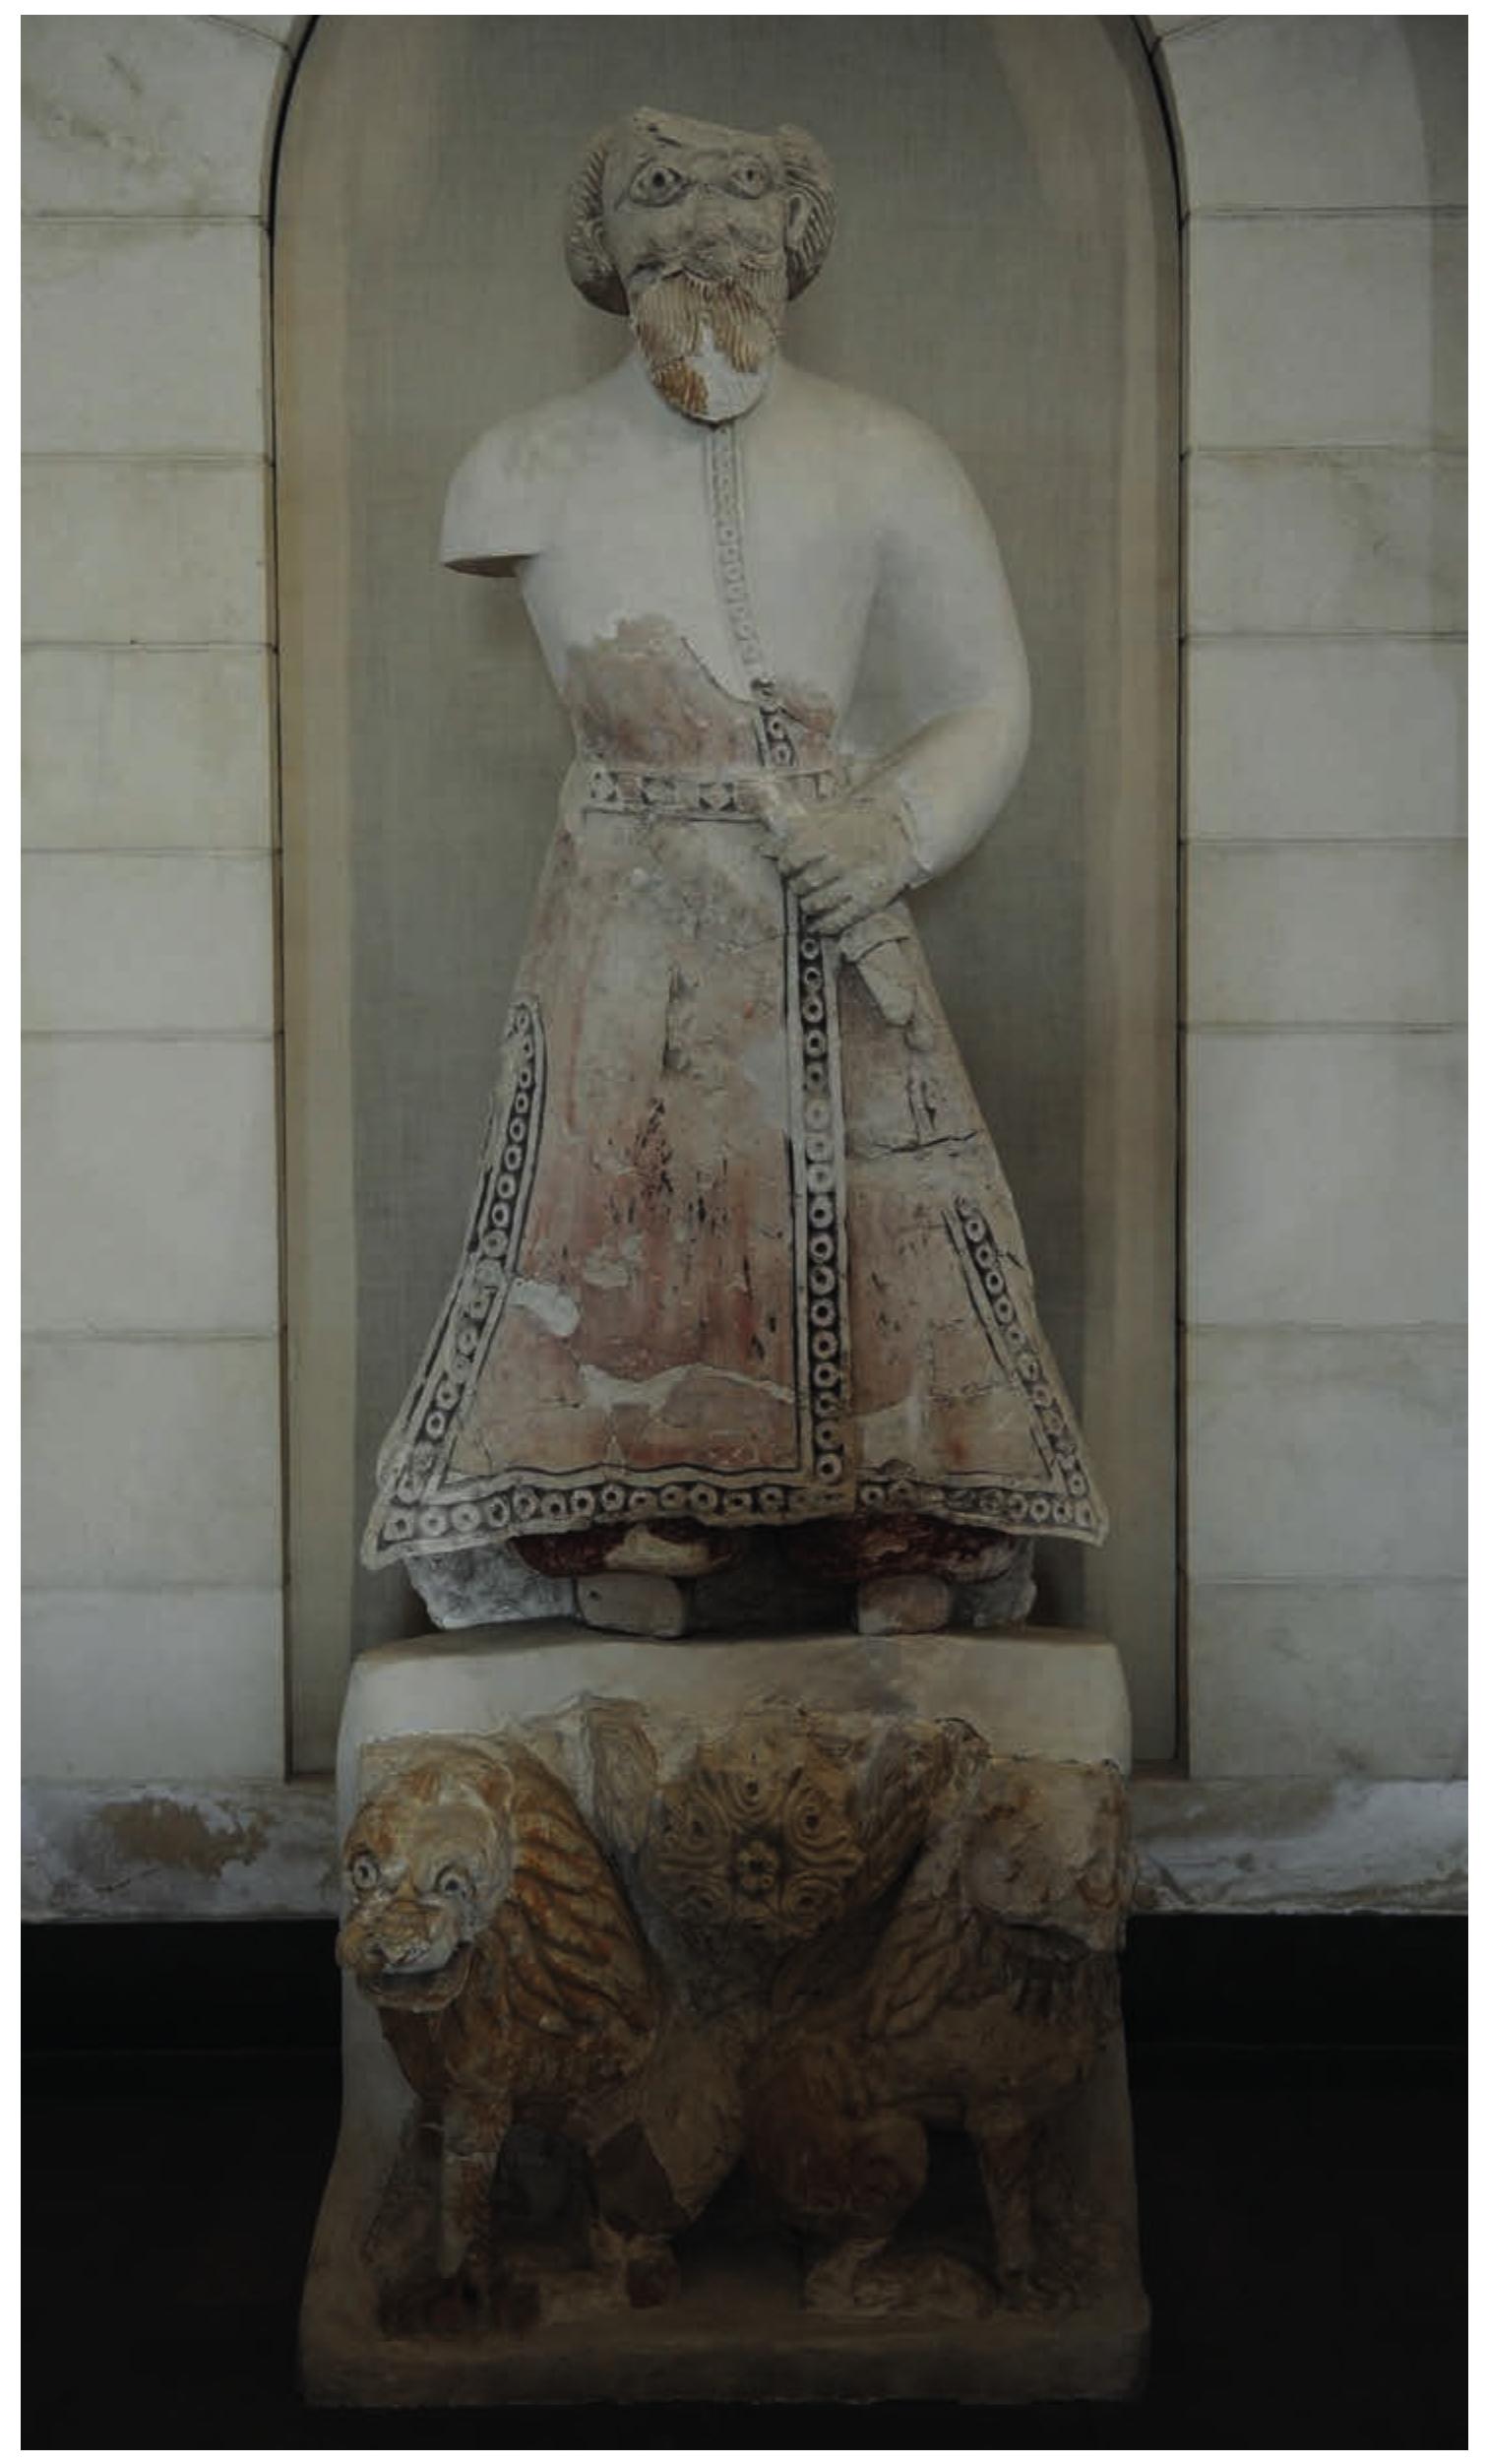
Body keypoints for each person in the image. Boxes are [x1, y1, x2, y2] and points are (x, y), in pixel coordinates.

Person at [363, 105, 1106, 1635]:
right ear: (605, 251)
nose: (705, 230)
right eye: (661, 199)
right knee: (616, 1217)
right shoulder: (520, 465)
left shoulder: (890, 456)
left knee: (883, 1233)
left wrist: (891, 832)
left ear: (793, 243)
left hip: (822, 897)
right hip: (623, 917)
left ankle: (903, 1529)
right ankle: (612, 1522)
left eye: (743, 201)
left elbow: (986, 697)